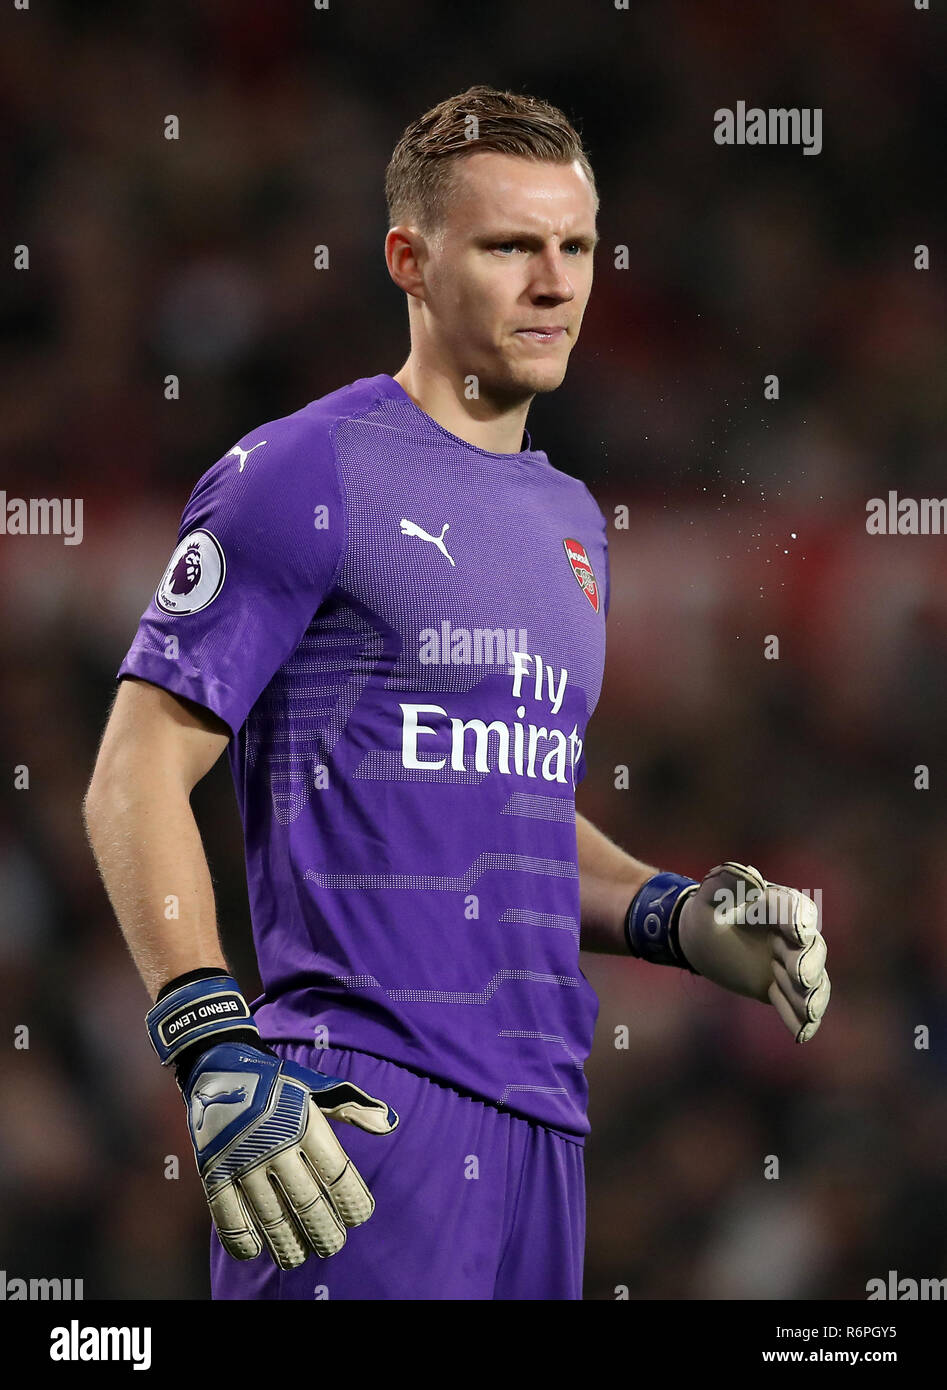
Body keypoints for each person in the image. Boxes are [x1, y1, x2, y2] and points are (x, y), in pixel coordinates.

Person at [83, 85, 830, 1302]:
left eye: (575, 248)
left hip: (544, 1130)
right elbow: (135, 769)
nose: (554, 283)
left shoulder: (569, 520)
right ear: (410, 262)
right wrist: (210, 1039)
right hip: (359, 1113)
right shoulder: (305, 470)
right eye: (508, 246)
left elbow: (510, 805)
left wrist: (677, 918)